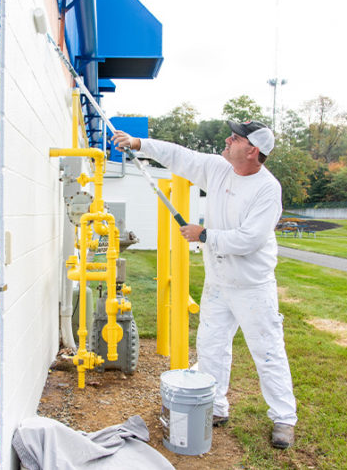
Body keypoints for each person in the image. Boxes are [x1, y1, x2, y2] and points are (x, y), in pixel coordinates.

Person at [111, 120, 297, 449]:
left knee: (267, 351)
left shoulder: (268, 189)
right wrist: (139, 143)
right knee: (211, 347)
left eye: (235, 138)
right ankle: (217, 407)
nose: (227, 140)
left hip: (253, 286)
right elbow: (180, 156)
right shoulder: (218, 168)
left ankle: (283, 418)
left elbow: (250, 239)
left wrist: (204, 235)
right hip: (218, 282)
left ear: (252, 151)